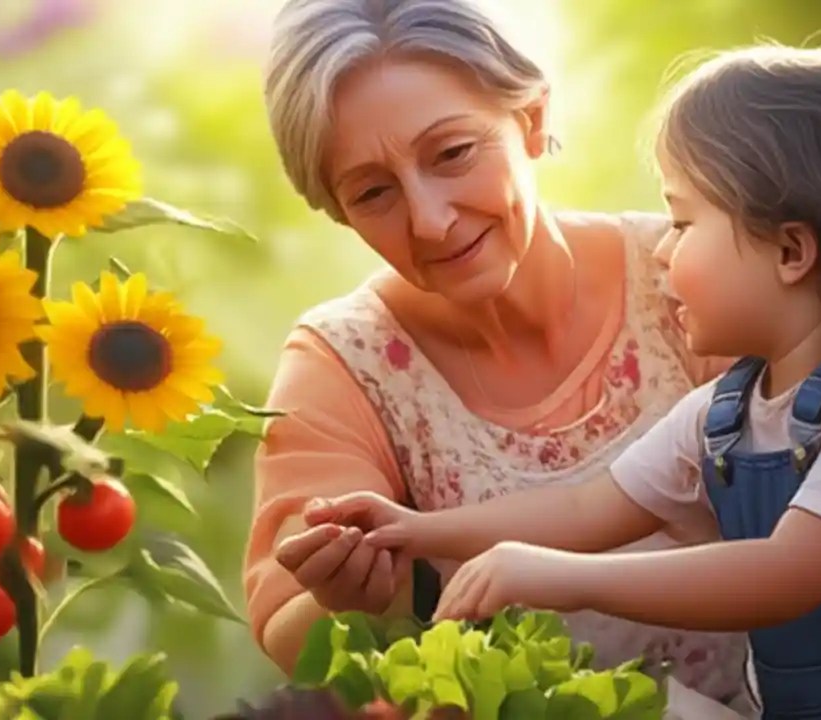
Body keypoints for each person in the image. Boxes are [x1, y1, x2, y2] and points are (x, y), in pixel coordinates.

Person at [303, 44, 821, 719]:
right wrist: (417, 530)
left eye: (682, 220)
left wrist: (559, 575)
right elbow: (590, 508)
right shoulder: (731, 412)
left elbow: (785, 574)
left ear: (791, 250)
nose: (661, 250)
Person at [242, 0, 752, 712]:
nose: (430, 221)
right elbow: (288, 628)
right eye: (374, 192)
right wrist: (350, 600)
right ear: (337, 209)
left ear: (531, 119)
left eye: (452, 153)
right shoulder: (344, 361)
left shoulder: (687, 277)